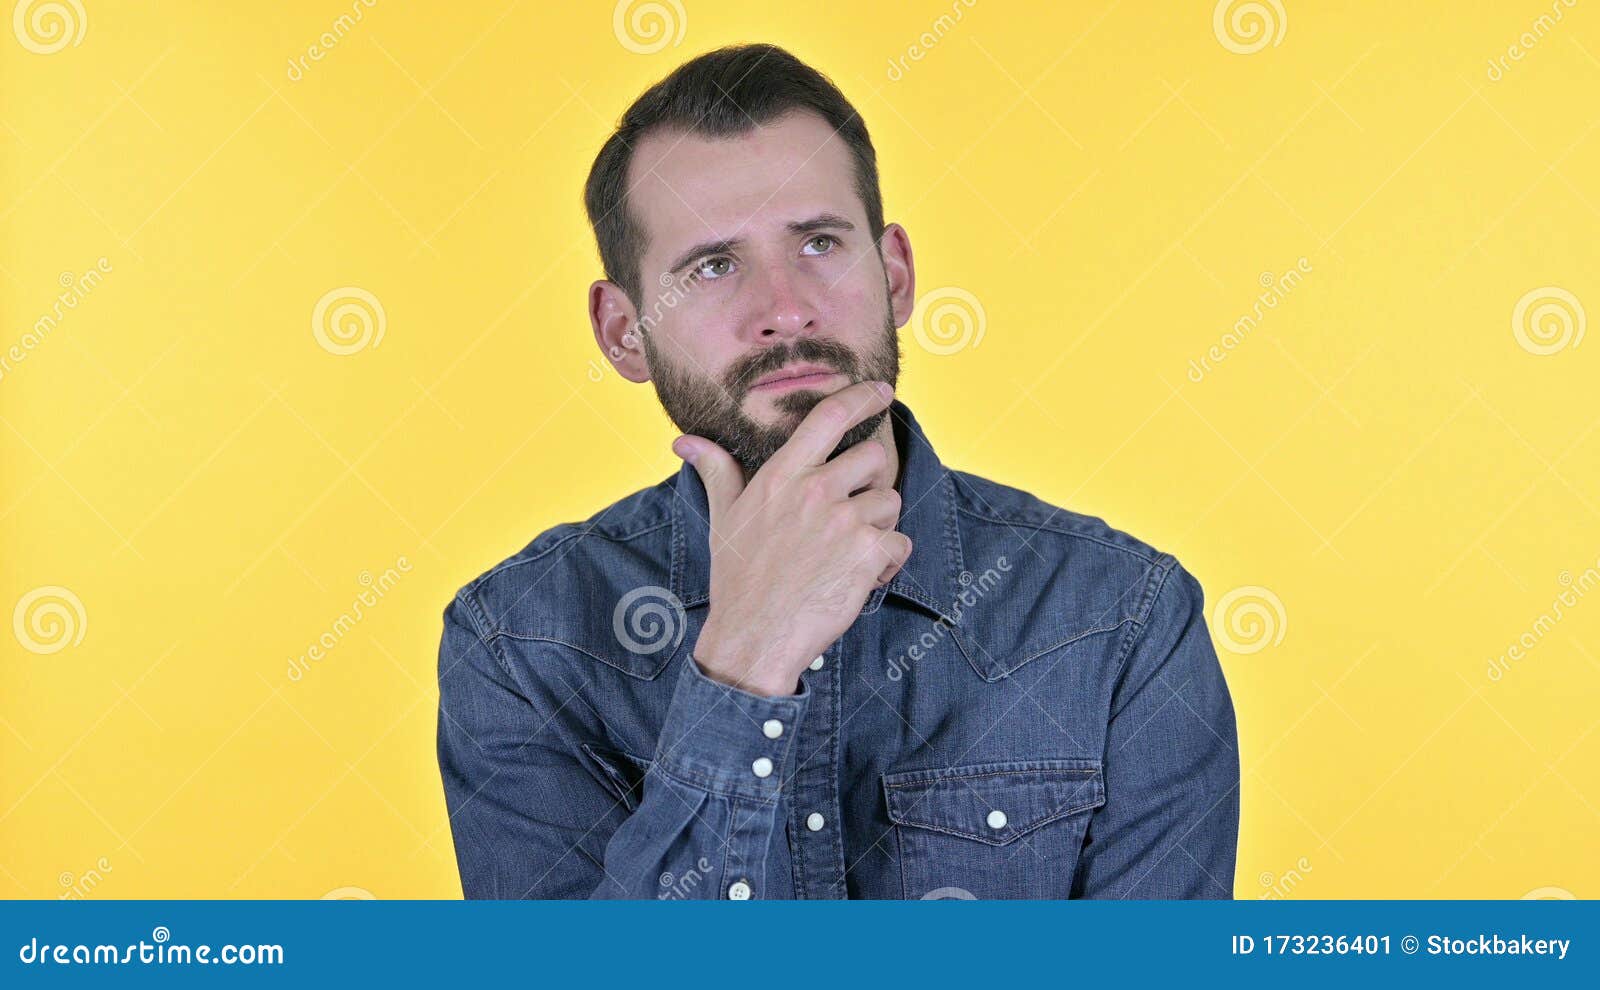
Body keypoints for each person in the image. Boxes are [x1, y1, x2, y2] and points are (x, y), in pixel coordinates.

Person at [436, 43, 1238, 899]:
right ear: (624, 332)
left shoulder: (1123, 619)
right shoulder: (519, 644)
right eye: (713, 266)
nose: (784, 310)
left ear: (894, 276)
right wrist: (743, 666)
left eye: (818, 242)